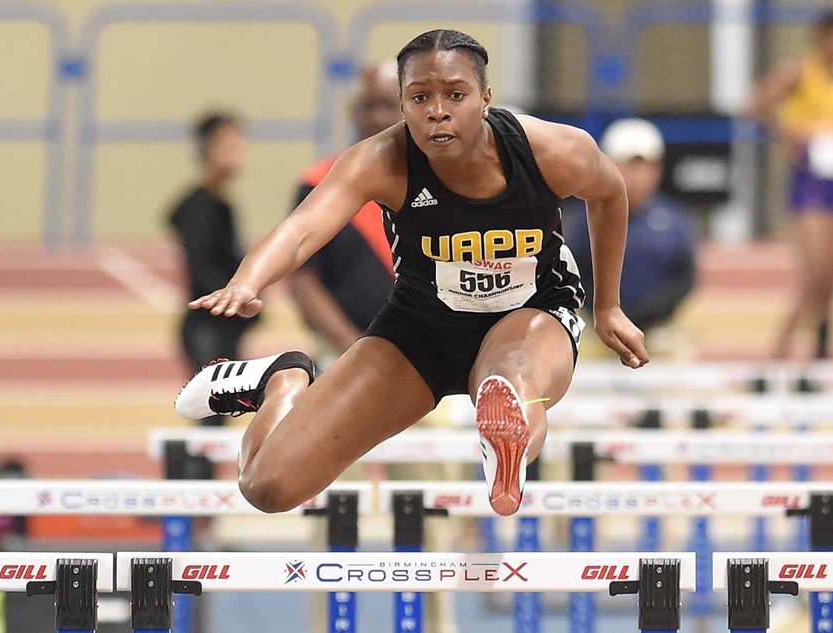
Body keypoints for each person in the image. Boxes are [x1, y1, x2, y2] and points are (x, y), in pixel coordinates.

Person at [175, 29, 648, 517]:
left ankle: (506, 440)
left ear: (485, 98)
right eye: (419, 97)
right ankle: (285, 381)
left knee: (512, 378)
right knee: (267, 487)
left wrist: (608, 305)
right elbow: (301, 230)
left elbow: (610, 192)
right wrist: (247, 281)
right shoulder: (381, 161)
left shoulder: (550, 151)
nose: (437, 111)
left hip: (533, 312)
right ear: (403, 104)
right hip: (420, 331)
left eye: (455, 95)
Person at [749, 9, 833, 361]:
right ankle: (780, 351)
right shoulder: (799, 71)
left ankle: (822, 349)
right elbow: (757, 105)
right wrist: (791, 136)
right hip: (809, 180)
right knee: (813, 274)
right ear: (824, 37)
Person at [287, 62, 402, 354]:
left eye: (389, 106)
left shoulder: (435, 184)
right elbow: (303, 279)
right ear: (354, 111)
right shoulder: (319, 184)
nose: (377, 117)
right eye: (368, 106)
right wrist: (352, 347)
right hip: (345, 354)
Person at [569, 118, 697, 347]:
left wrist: (644, 316)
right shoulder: (583, 220)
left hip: (658, 331)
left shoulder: (674, 220)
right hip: (595, 328)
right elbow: (575, 273)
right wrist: (606, 312)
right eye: (629, 165)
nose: (638, 175)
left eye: (647, 166)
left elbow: (684, 278)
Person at [168, 112, 258, 426]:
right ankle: (192, 476)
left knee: (217, 417)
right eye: (229, 145)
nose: (239, 152)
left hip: (222, 325)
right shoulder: (199, 206)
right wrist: (236, 300)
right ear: (207, 150)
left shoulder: (222, 205)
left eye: (240, 144)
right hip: (205, 327)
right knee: (211, 419)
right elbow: (202, 271)